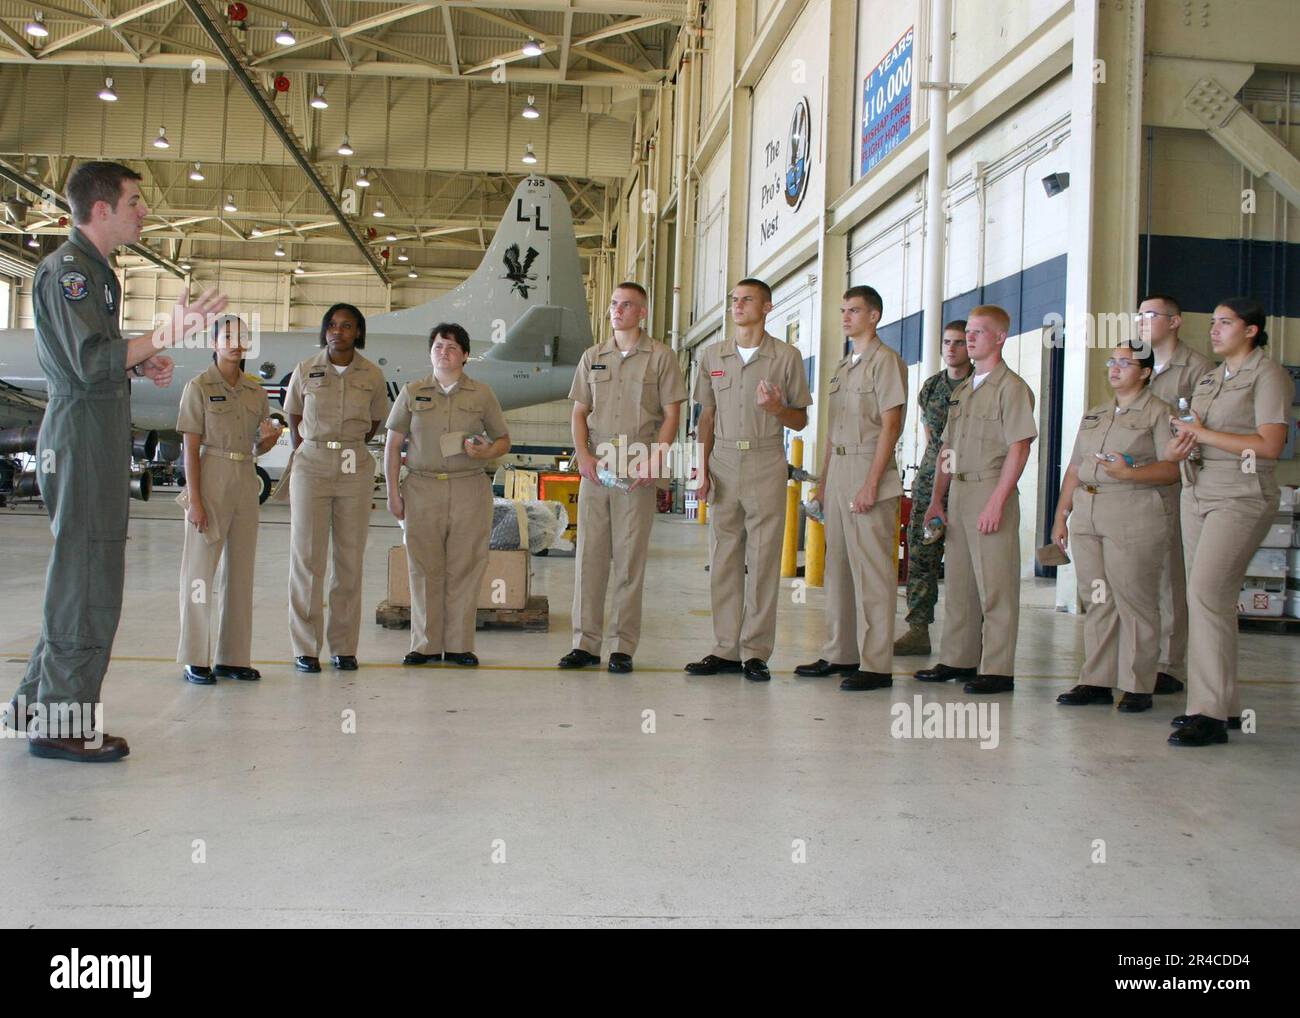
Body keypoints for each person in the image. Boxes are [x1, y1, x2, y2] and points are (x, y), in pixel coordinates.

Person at [8, 161, 225, 762]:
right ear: (102, 209)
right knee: (87, 577)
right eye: (135, 200)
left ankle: (34, 703)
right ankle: (61, 723)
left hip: (93, 428)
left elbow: (97, 355)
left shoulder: (95, 273)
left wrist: (136, 361)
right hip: (82, 433)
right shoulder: (72, 272)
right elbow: (82, 361)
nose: (143, 210)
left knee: (80, 571)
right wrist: (162, 335)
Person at [1166, 298, 1291, 747]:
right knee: (1205, 599)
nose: (1214, 330)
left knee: (1207, 593)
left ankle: (1208, 713)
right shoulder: (1211, 379)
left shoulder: (1268, 375)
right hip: (1197, 488)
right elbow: (1195, 430)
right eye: (1214, 322)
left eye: (1225, 323)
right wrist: (1184, 441)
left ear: (1251, 330)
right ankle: (1223, 703)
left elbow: (1271, 444)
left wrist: (1202, 434)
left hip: (1241, 493)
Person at [686, 278, 811, 682]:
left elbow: (801, 420)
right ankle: (725, 648)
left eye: (747, 300)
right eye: (734, 300)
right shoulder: (712, 355)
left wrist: (777, 408)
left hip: (765, 457)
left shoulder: (786, 357)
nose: (738, 306)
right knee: (723, 557)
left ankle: (755, 651)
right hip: (722, 457)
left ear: (767, 307)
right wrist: (700, 467)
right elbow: (706, 416)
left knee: (762, 558)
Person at [560, 282, 687, 673]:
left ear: (642, 312)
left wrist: (656, 458)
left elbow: (671, 414)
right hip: (597, 466)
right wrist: (582, 457)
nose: (618, 310)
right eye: (614, 303)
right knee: (590, 558)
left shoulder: (661, 357)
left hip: (637, 463)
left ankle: (622, 646)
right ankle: (585, 643)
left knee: (630, 561)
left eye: (627, 305)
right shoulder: (592, 356)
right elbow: (580, 412)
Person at [1050, 339, 1179, 712]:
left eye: (1126, 362)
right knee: (1098, 597)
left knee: (1135, 599)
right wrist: (1062, 515)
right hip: (1088, 511)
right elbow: (1075, 467)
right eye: (1112, 361)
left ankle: (1138, 684)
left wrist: (1131, 471)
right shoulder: (1097, 413)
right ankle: (1096, 680)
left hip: (1133, 511)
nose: (1115, 368)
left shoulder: (1159, 413)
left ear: (1145, 372)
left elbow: (1172, 470)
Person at [914, 305, 1036, 694]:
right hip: (960, 491)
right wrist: (937, 499)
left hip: (989, 488)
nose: (969, 338)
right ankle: (958, 658)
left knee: (996, 584)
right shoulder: (963, 390)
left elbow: (1020, 447)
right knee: (961, 583)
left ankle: (998, 669)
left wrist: (998, 500)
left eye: (979, 332)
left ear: (999, 337)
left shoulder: (1011, 388)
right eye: (968, 331)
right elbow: (946, 448)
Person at [795, 286, 906, 690]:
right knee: (838, 565)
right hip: (839, 467)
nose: (845, 317)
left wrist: (871, 483)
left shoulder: (886, 362)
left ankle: (876, 665)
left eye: (854, 310)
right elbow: (831, 433)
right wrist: (823, 484)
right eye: (842, 310)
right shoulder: (843, 368)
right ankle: (841, 652)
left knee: (873, 571)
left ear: (874, 316)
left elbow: (890, 426)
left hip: (867, 467)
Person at [385, 323, 510, 667]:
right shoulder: (412, 392)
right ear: (430, 352)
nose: (445, 352)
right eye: (439, 346)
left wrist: (486, 452)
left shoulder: (482, 395)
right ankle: (424, 644)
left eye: (453, 347)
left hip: (469, 486)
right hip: (422, 487)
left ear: (465, 355)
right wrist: (393, 494)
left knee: (465, 566)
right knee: (423, 567)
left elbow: (502, 439)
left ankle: (458, 645)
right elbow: (393, 445)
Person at [175, 316, 283, 685]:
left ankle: (232, 657)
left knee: (241, 571)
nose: (236, 343)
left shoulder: (255, 391)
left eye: (242, 338)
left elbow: (259, 444)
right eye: (228, 337)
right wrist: (196, 500)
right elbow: (190, 446)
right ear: (215, 342)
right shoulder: (199, 387)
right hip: (212, 472)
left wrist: (268, 441)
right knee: (199, 573)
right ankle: (195, 657)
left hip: (244, 476)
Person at [284, 303, 389, 673]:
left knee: (348, 560)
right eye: (331, 324)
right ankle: (306, 648)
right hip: (311, 462)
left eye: (346, 326)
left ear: (357, 332)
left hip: (353, 464)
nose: (337, 331)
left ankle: (343, 648)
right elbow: (293, 414)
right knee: (307, 558)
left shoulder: (372, 375)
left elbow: (376, 420)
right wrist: (314, 444)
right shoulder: (306, 370)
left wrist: (347, 444)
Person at [1138, 294, 1214, 695]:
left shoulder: (1198, 369)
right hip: (1138, 479)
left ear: (1175, 321)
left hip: (1176, 479)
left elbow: (1199, 428)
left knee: (1171, 574)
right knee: (1140, 574)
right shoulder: (1139, 364)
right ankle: (1142, 656)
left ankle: (1170, 662)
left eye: (1150, 315)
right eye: (1138, 315)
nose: (1142, 322)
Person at [895, 320, 971, 656]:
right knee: (922, 552)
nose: (951, 349)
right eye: (947, 342)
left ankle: (971, 633)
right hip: (931, 476)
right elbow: (931, 437)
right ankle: (917, 629)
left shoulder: (979, 385)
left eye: (959, 343)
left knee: (967, 557)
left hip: (969, 476)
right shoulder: (931, 387)